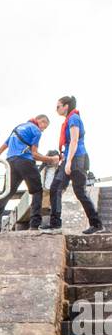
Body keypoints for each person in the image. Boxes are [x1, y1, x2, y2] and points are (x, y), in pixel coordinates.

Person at [0, 115, 59, 232]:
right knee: (37, 191)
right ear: (42, 122)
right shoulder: (36, 131)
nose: (43, 129)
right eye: (44, 127)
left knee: (5, 195)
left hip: (10, 163)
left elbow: (2, 147)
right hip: (25, 162)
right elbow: (34, 154)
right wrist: (51, 159)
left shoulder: (18, 128)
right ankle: (34, 225)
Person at [45, 96, 103, 234]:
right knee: (56, 188)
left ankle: (96, 224)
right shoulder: (69, 119)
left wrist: (69, 161)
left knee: (79, 192)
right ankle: (55, 223)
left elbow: (74, 140)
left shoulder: (74, 119)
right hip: (70, 158)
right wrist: (65, 157)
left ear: (66, 106)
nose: (56, 109)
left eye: (58, 106)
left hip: (77, 159)